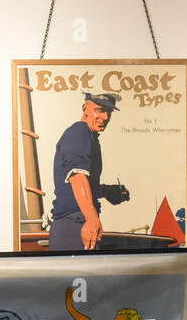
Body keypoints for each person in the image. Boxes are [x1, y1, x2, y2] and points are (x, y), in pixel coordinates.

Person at [47, 92, 132, 251]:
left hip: (74, 223)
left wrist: (108, 191)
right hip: (74, 224)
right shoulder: (79, 131)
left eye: (109, 113)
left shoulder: (89, 137)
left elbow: (76, 185)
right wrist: (91, 218)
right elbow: (77, 176)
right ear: (85, 108)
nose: (105, 117)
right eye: (100, 110)